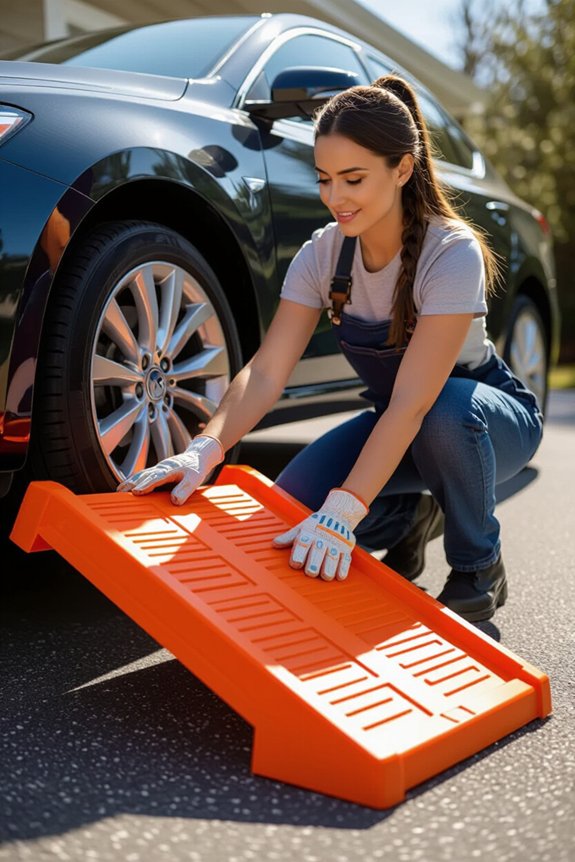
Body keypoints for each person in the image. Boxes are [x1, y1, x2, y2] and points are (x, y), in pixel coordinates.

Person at [118, 75, 543, 623]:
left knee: (443, 413)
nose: (335, 198)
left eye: (353, 179)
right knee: (287, 509)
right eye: (324, 180)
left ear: (402, 169)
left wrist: (345, 508)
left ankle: (477, 567)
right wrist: (206, 447)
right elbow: (268, 370)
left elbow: (416, 400)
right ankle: (405, 515)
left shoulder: (451, 252)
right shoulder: (323, 255)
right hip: (401, 422)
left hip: (481, 425)